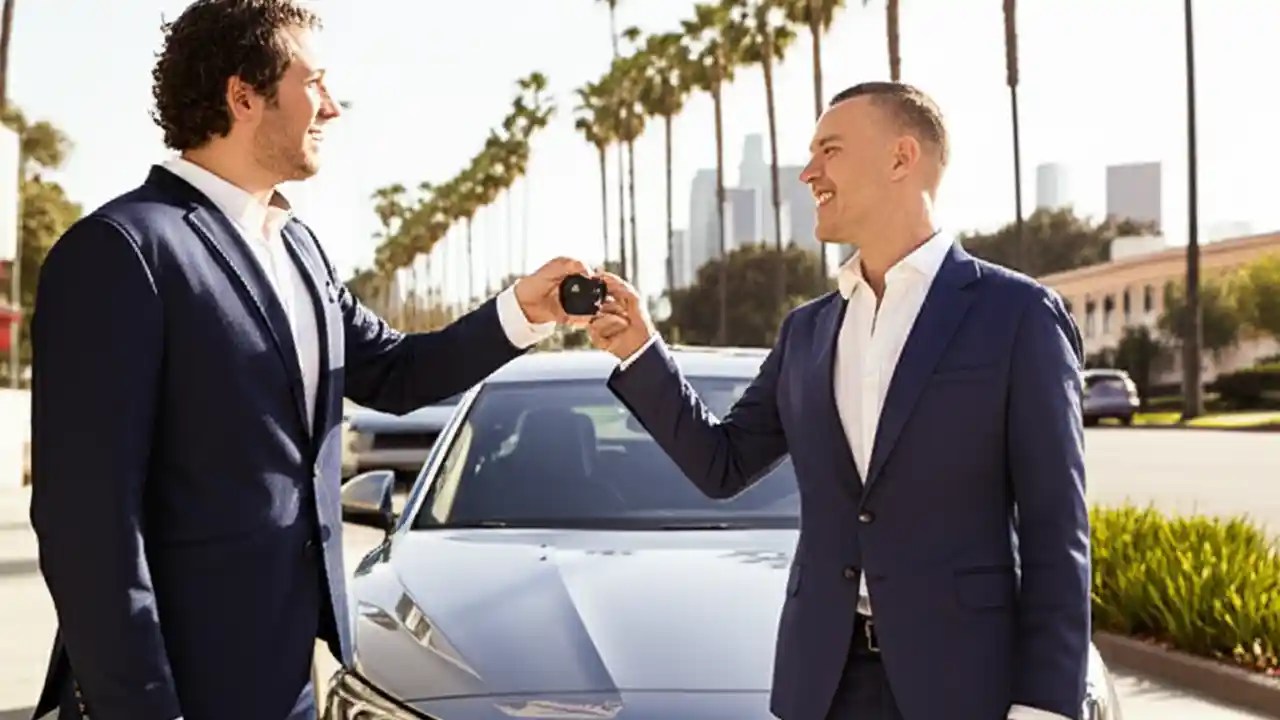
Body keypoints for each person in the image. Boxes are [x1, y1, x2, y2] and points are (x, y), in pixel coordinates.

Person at [27, 1, 583, 718]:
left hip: (288, 678)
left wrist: (521, 313)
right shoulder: (122, 252)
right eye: (315, 82)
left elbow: (394, 372)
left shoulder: (298, 247)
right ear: (243, 95)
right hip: (173, 688)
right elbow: (87, 526)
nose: (333, 107)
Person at [588, 82, 1089, 720]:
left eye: (830, 150)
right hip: (824, 684)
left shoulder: (1017, 315)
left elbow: (1057, 532)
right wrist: (639, 348)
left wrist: (1045, 706)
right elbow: (722, 463)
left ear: (900, 158)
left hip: (965, 686)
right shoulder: (808, 330)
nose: (808, 172)